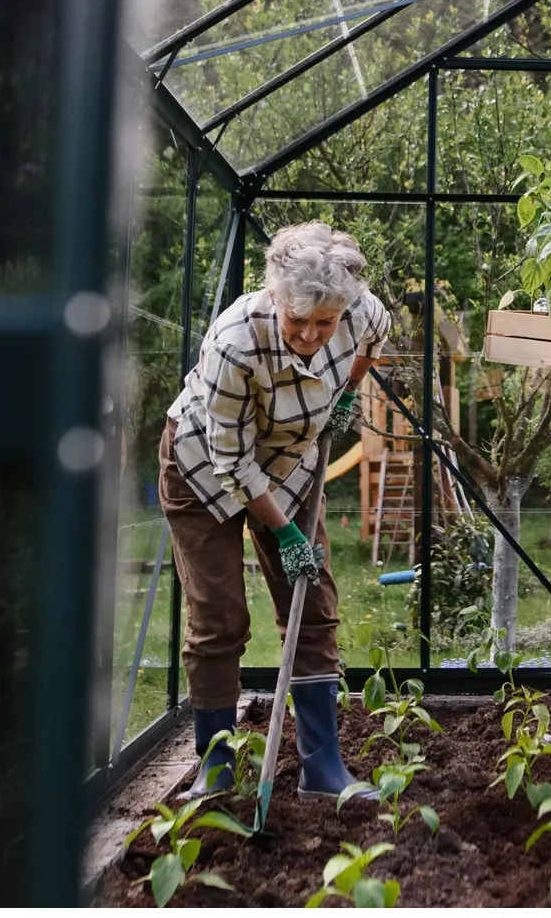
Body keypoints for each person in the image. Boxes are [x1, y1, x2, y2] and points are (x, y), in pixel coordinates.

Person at [159, 221, 391, 801]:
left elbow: (372, 342)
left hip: (290, 464)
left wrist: (342, 399)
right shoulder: (235, 342)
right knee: (220, 617)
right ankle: (215, 770)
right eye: (298, 321)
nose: (312, 335)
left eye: (325, 323)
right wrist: (286, 534)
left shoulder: (359, 311)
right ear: (275, 298)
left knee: (312, 606)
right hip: (204, 468)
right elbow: (232, 464)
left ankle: (323, 768)